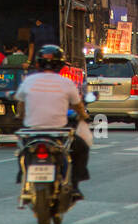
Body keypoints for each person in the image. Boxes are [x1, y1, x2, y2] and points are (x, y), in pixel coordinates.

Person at [14, 44, 90, 199]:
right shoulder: (66, 83)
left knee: (22, 150)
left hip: (32, 131)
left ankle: (22, 173)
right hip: (58, 132)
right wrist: (83, 116)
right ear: (60, 64)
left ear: (38, 63)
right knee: (81, 148)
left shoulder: (29, 81)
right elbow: (78, 107)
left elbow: (20, 105)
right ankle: (74, 186)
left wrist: (21, 117)